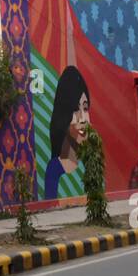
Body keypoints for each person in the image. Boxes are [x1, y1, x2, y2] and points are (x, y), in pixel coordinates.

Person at [45, 67, 90, 200]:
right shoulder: (53, 172)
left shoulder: (91, 163)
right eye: (76, 109)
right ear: (63, 116)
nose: (82, 118)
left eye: (85, 108)